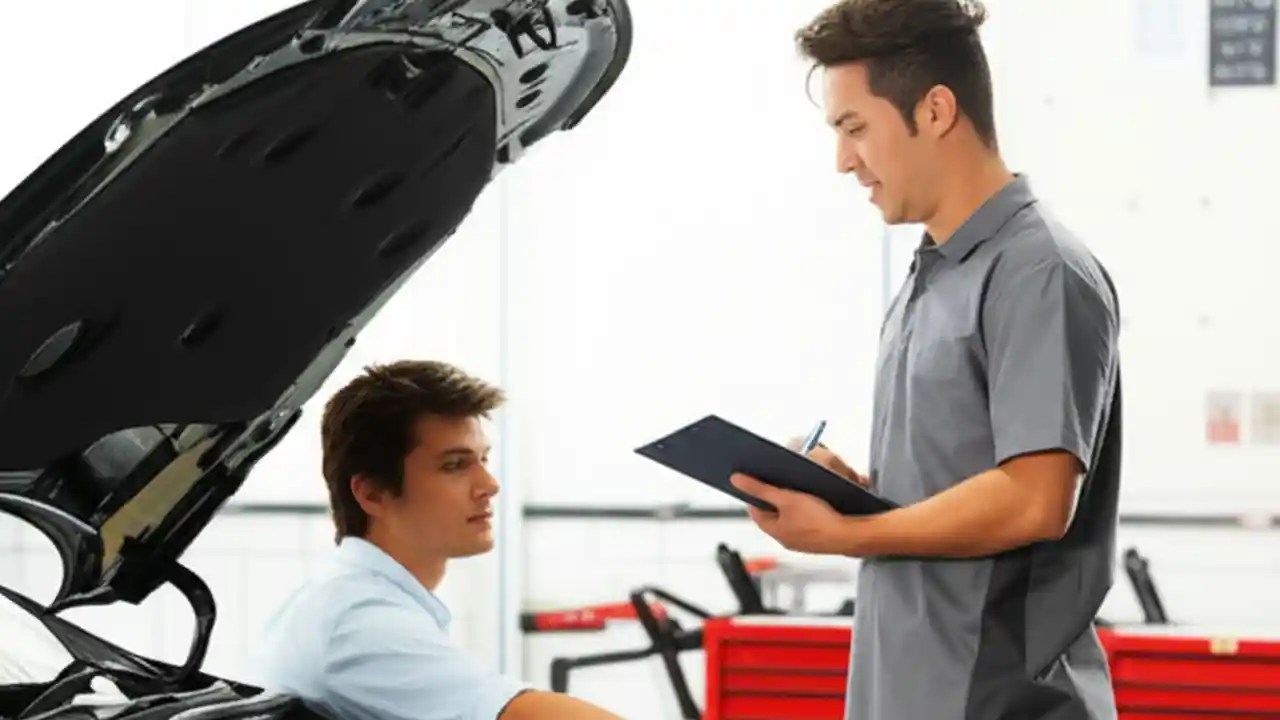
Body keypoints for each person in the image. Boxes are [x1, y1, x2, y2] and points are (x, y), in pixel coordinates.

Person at [729, 1, 1123, 719]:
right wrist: (856, 491)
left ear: (936, 109)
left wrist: (849, 533)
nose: (844, 160)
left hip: (997, 702)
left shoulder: (1039, 271)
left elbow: (1035, 498)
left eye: (855, 129)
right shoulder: (932, 274)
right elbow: (963, 479)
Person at [253, 360, 621, 720]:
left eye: (484, 459)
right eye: (455, 465)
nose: (489, 485)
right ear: (373, 494)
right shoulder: (357, 622)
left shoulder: (350, 599)